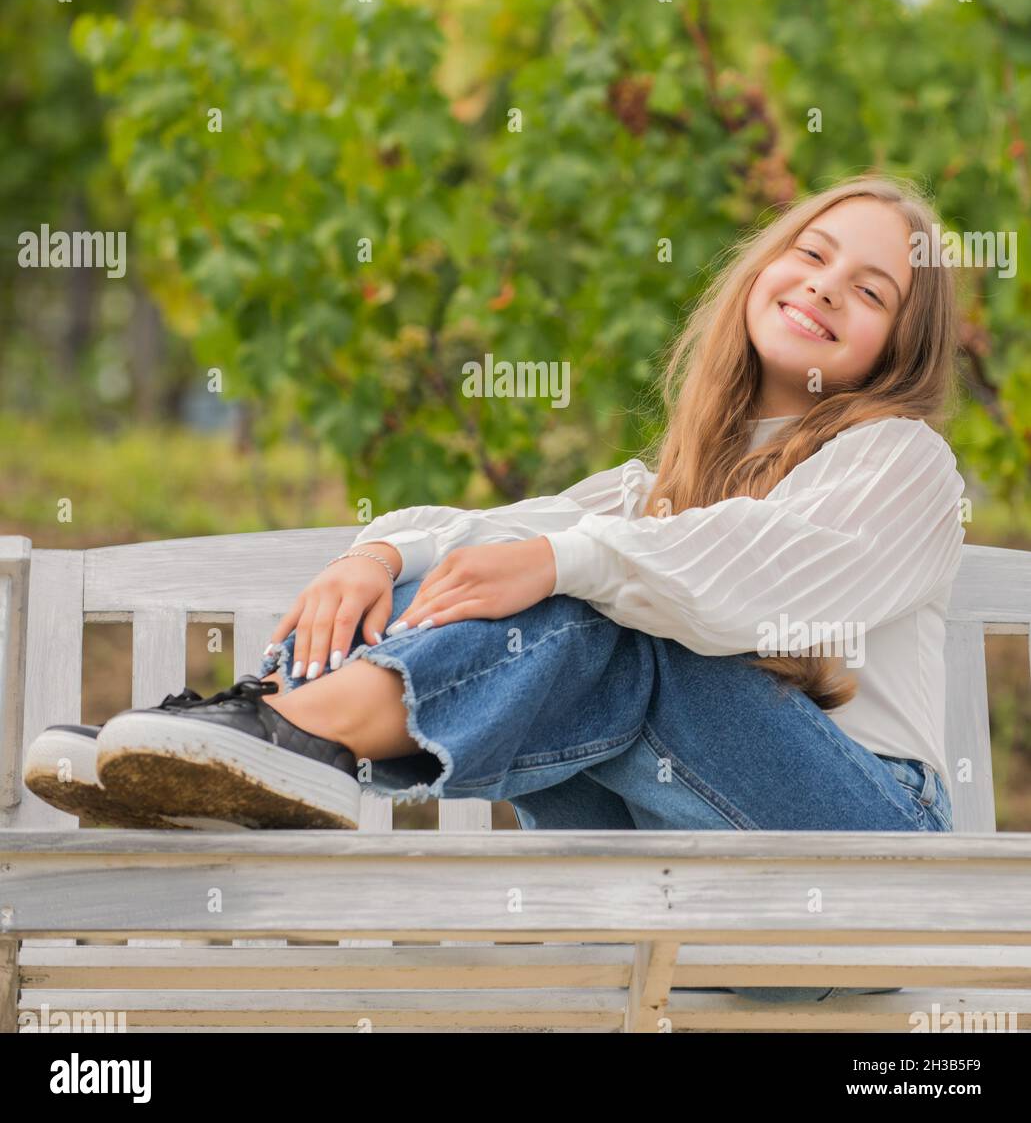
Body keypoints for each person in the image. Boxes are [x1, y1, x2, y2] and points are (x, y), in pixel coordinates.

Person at [35, 174, 965, 1004]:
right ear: (762, 267)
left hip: (867, 868)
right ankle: (259, 734)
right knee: (570, 581)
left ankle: (297, 739)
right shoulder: (661, 492)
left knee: (610, 607)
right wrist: (380, 557)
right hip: (691, 890)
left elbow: (751, 571)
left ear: (898, 351)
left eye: (870, 290)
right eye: (810, 251)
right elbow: (501, 536)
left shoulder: (904, 466)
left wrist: (573, 563)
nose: (825, 284)